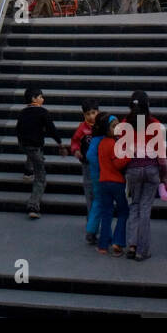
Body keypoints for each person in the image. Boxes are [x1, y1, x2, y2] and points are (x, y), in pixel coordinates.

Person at [122, 90, 165, 261]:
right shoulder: (154, 123)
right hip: (151, 168)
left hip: (133, 169)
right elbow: (161, 154)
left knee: (135, 206)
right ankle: (142, 249)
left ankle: (131, 245)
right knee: (145, 209)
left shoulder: (125, 123)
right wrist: (163, 175)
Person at [15, 87, 67, 219]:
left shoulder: (22, 113)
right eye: (40, 97)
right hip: (35, 146)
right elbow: (51, 129)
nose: (43, 99)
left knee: (31, 152)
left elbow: (18, 129)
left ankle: (28, 171)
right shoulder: (42, 112)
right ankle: (33, 205)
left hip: (24, 144)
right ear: (34, 98)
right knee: (41, 178)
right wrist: (60, 143)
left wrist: (22, 141)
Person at [96, 117, 131, 256]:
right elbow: (118, 164)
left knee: (107, 213)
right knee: (123, 212)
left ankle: (103, 245)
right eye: (113, 126)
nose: (117, 128)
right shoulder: (113, 144)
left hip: (103, 181)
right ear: (106, 129)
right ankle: (118, 242)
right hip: (116, 182)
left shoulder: (101, 143)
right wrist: (129, 154)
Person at [68, 99, 101, 244]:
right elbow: (74, 141)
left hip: (102, 167)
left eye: (93, 113)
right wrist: (75, 151)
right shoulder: (82, 129)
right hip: (88, 166)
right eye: (88, 114)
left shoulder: (102, 126)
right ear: (83, 114)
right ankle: (91, 227)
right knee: (91, 196)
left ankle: (93, 225)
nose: (91, 116)